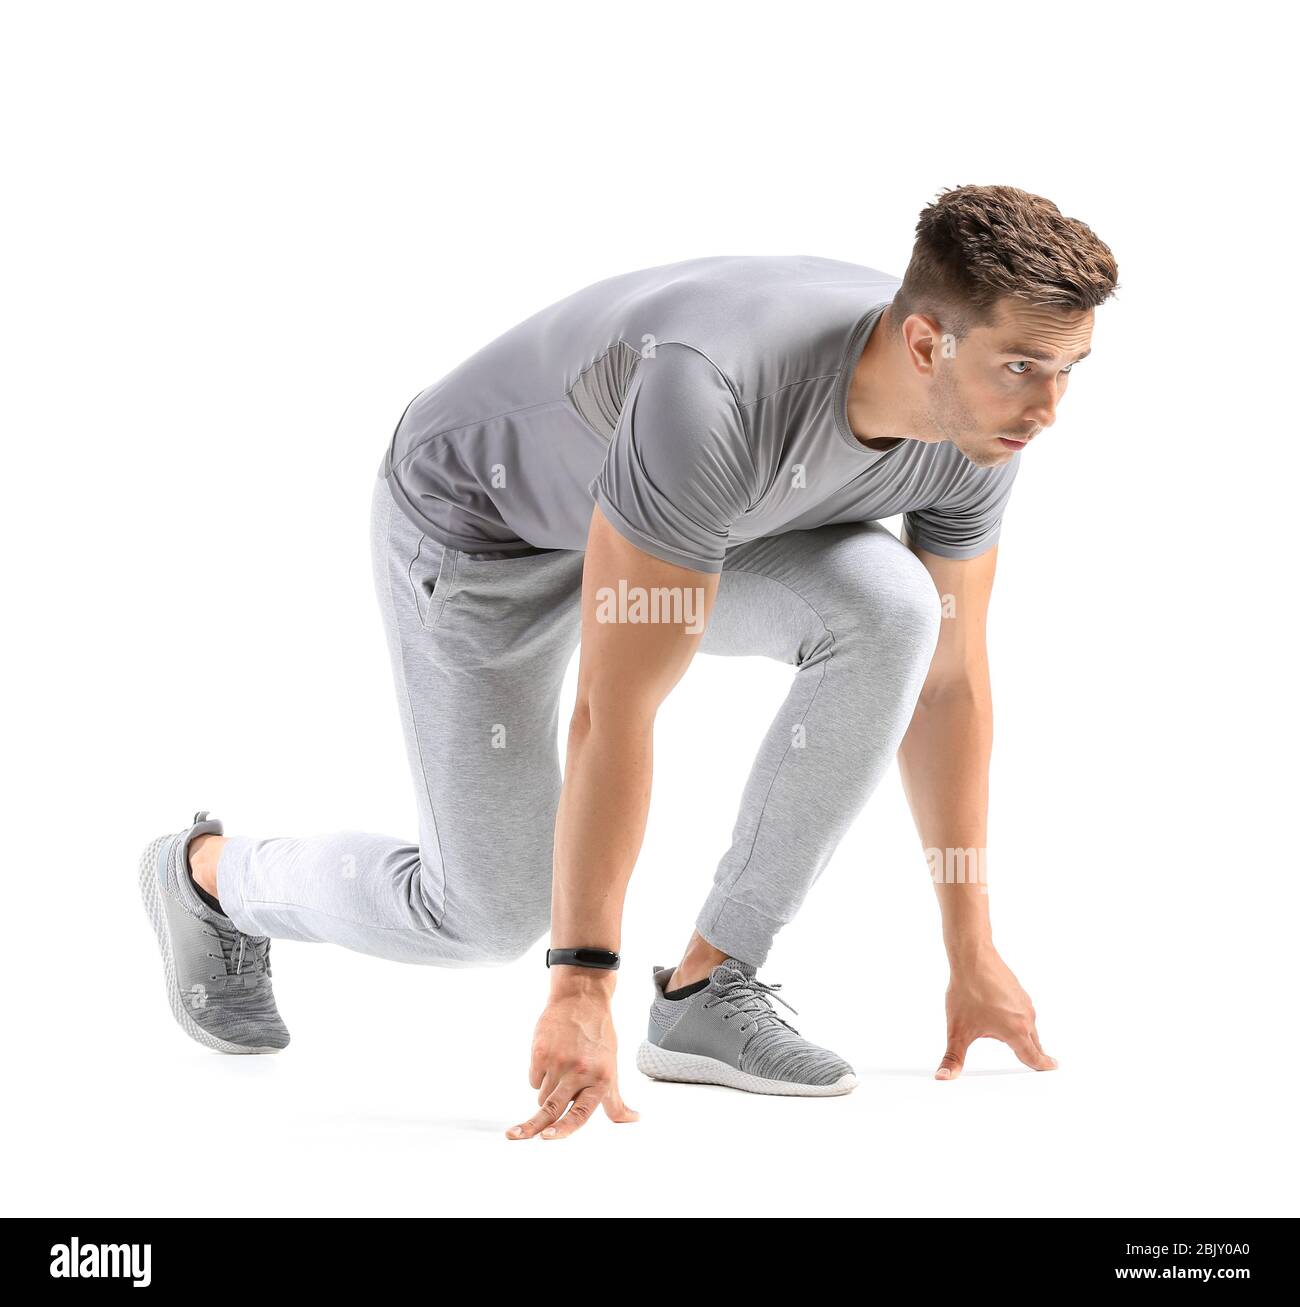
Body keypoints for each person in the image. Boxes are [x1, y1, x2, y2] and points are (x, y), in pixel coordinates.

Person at [138, 183, 1117, 1139]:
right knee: (482, 915)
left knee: (898, 609)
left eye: (1068, 369)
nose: (1048, 406)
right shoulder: (716, 386)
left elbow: (948, 683)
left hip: (697, 517)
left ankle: (709, 984)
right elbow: (614, 707)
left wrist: (970, 943)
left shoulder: (978, 423)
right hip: (484, 530)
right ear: (922, 342)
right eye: (1024, 367)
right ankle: (211, 876)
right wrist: (580, 982)